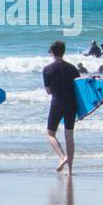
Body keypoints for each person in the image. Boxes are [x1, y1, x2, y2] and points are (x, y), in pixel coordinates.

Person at [43, 39, 79, 175]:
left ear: (52, 52)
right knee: (69, 135)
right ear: (63, 52)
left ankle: (63, 156)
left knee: (50, 133)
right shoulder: (73, 68)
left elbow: (48, 91)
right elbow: (78, 88)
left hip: (57, 103)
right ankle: (70, 170)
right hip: (72, 104)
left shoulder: (47, 69)